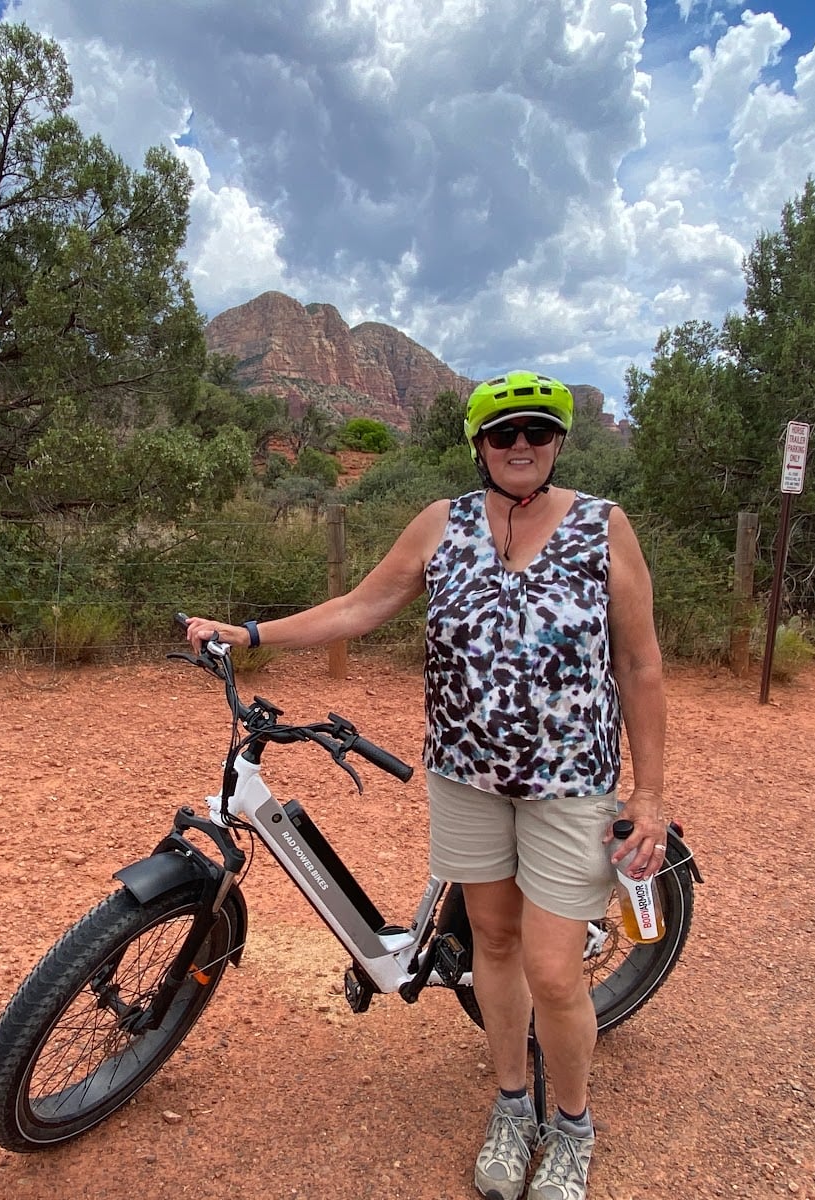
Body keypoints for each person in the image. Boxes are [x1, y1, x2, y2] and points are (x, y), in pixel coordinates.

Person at [185, 371, 667, 1200]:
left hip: (569, 784)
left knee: (556, 972)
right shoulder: (442, 524)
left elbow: (639, 663)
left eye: (538, 432)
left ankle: (573, 1125)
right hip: (466, 777)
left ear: (558, 443)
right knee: (495, 950)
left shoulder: (602, 526)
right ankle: (512, 1106)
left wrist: (649, 793)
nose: (521, 445)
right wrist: (252, 632)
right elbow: (357, 608)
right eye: (503, 434)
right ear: (480, 446)